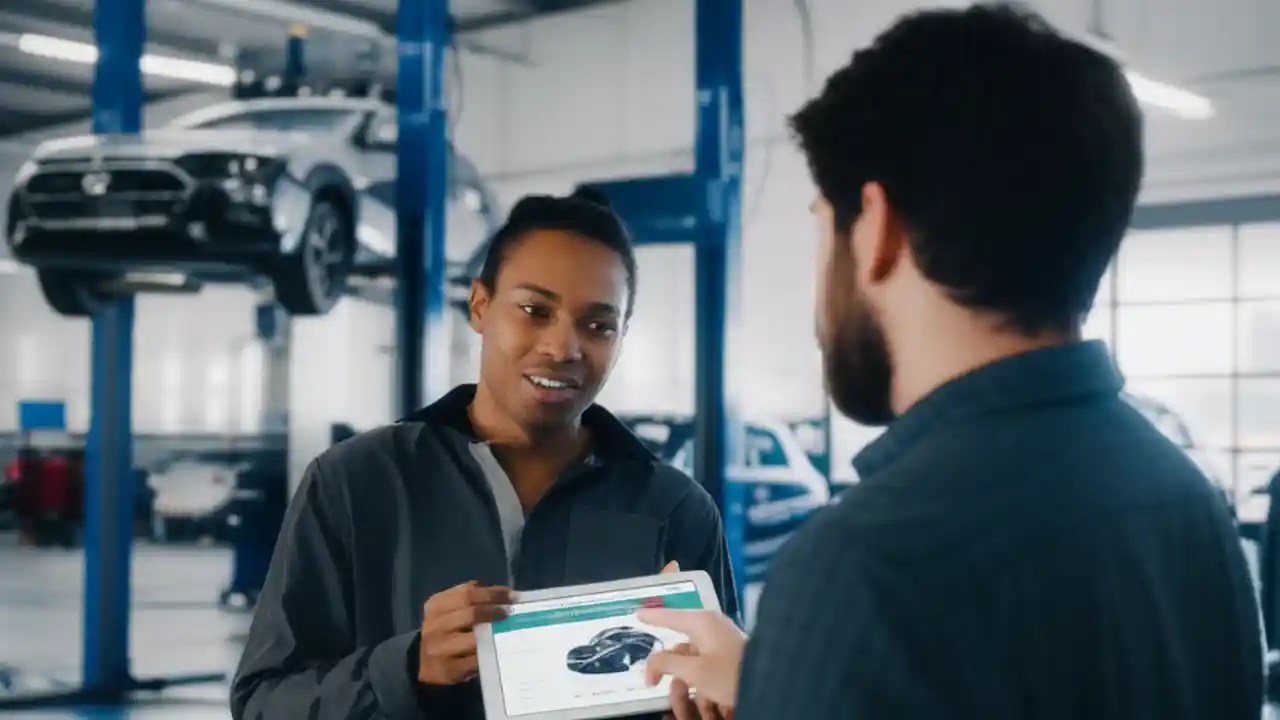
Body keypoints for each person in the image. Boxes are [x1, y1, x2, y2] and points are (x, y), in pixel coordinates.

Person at [639, 5, 1263, 719]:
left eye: (822, 228)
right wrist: (784, 684)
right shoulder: (1182, 496)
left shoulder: (868, 563)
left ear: (875, 228)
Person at [231, 190, 739, 720]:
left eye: (598, 325)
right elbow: (264, 703)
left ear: (621, 337)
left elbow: (722, 687)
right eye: (534, 310)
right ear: (479, 306)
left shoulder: (675, 510)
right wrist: (406, 669)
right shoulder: (355, 484)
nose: (563, 347)